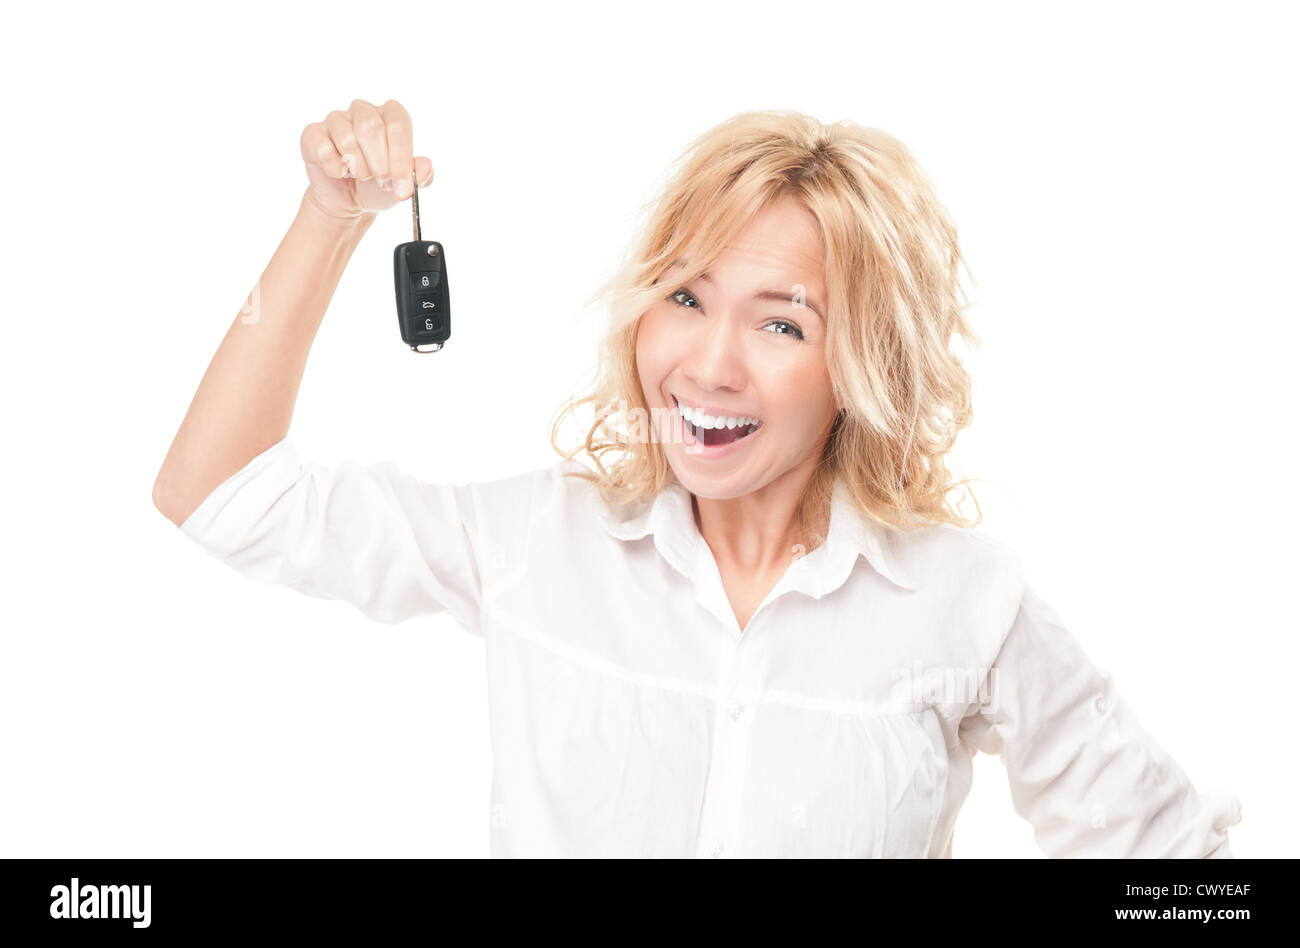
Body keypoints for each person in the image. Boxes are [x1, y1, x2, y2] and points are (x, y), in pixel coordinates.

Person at [153, 98, 1242, 858]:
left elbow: (1171, 865)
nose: (707, 364)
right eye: (683, 296)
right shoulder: (537, 541)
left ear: (861, 363)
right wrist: (329, 218)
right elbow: (220, 494)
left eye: (781, 322)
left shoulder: (964, 601)